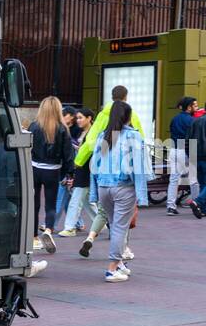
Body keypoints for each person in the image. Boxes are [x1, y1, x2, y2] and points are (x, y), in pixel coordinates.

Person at [91, 100, 147, 283]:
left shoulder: (103, 136)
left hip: (103, 187)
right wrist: (142, 194)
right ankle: (112, 268)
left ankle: (120, 263)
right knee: (120, 228)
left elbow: (95, 166)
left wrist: (94, 191)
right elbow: (138, 167)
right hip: (123, 187)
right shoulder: (133, 136)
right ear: (128, 117)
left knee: (115, 224)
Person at [28, 96, 72, 253]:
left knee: (33, 203)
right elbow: (68, 154)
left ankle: (33, 238)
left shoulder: (34, 126)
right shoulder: (62, 128)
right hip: (53, 170)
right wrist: (69, 173)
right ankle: (48, 230)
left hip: (33, 168)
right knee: (51, 204)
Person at [59, 107, 94, 235]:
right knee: (87, 202)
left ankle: (70, 227)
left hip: (86, 170)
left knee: (76, 199)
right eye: (77, 118)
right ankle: (102, 222)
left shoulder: (94, 133)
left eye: (80, 118)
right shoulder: (80, 132)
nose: (78, 120)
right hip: (80, 169)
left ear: (89, 118)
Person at [165, 96, 196, 215]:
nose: (196, 107)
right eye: (194, 105)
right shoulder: (192, 120)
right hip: (187, 149)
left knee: (174, 179)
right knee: (194, 179)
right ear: (189, 107)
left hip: (174, 149)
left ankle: (171, 206)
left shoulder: (174, 119)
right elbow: (192, 137)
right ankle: (196, 203)